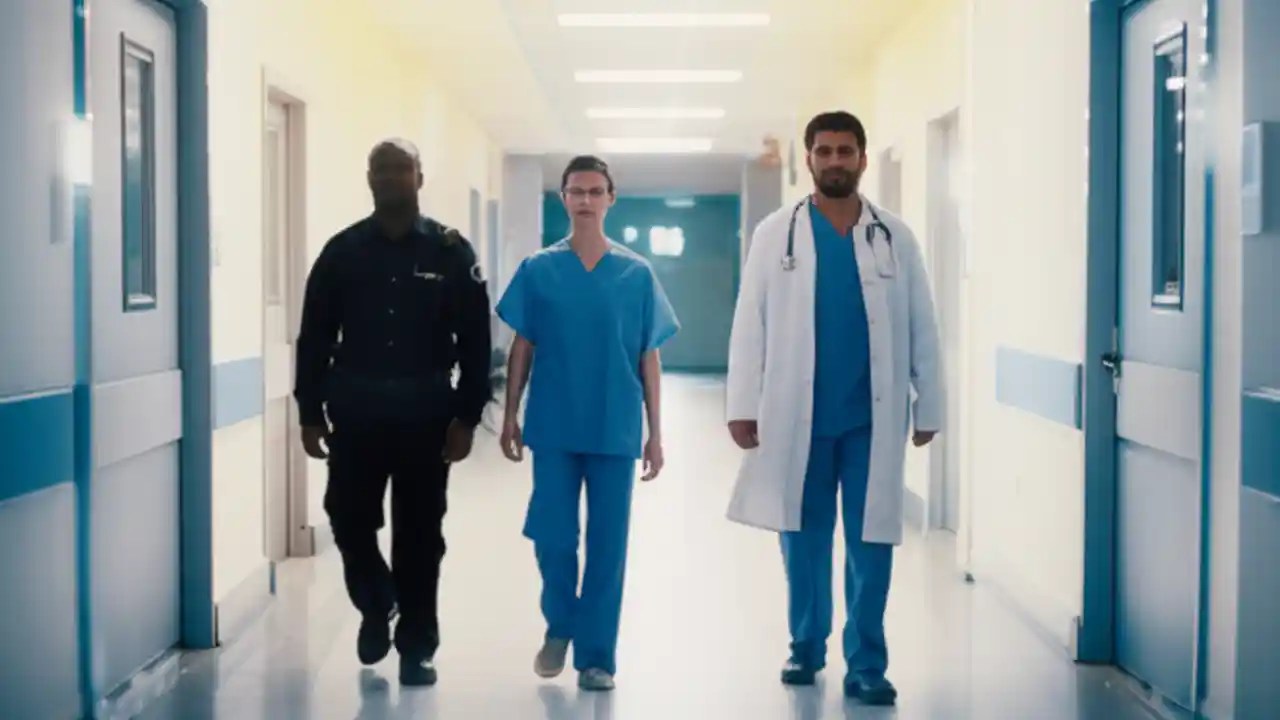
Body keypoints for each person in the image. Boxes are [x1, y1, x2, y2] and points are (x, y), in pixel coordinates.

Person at [724, 111, 944, 706]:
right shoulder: (777, 233)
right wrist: (742, 403)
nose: (835, 161)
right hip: (798, 415)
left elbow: (923, 323)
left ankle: (867, 662)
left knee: (872, 541)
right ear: (811, 159)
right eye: (825, 152)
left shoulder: (895, 235)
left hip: (872, 419)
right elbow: (751, 323)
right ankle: (805, 646)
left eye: (846, 151)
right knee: (803, 539)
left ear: (863, 159)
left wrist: (931, 405)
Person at [293, 138, 492, 687]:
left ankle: (417, 647)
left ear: (419, 178)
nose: (390, 177)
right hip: (356, 413)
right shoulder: (342, 252)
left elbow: (476, 339)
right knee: (347, 518)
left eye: (401, 168)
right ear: (369, 178)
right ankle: (378, 602)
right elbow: (313, 337)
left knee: (421, 535)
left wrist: (467, 417)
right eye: (381, 169)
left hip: (426, 414)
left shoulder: (451, 253)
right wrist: (309, 411)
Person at [495, 155, 679, 692]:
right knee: (552, 535)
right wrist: (510, 415)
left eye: (596, 192)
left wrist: (656, 433)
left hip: (614, 427)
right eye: (576, 191)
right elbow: (521, 346)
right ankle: (560, 624)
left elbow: (649, 356)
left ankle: (596, 657)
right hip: (553, 424)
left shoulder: (636, 274)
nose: (585, 201)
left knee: (607, 544)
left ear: (610, 199)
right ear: (563, 199)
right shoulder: (539, 269)